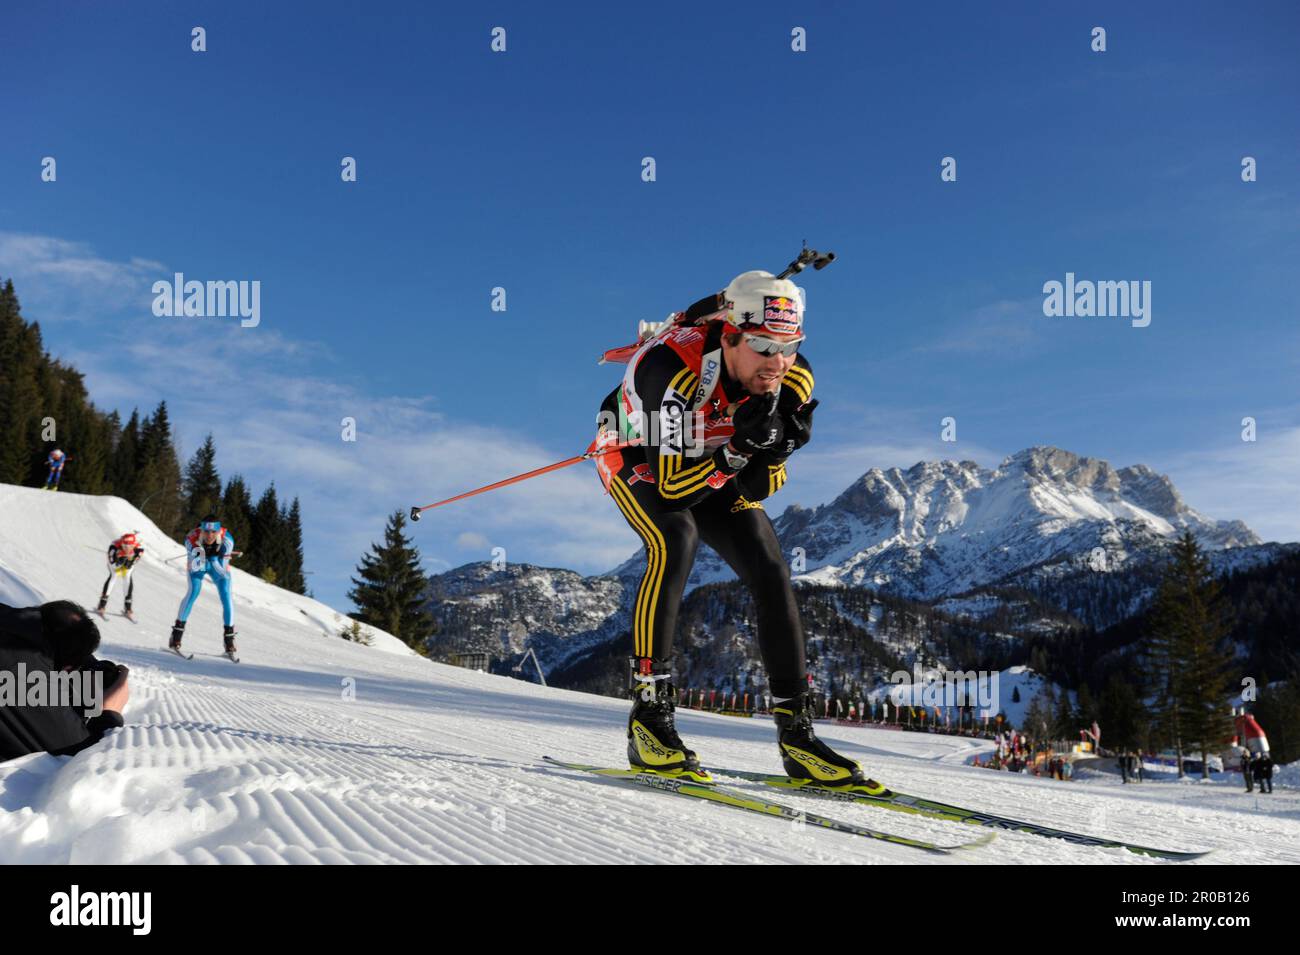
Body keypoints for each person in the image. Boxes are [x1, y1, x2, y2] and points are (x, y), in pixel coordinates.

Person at [590, 269, 874, 790]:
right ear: (730, 334)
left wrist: (778, 446)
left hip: (715, 450)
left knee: (769, 566)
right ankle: (650, 720)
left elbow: (759, 488)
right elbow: (676, 490)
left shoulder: (791, 376)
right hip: (639, 451)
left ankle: (797, 734)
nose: (777, 362)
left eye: (790, 346)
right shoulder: (669, 371)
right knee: (675, 538)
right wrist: (741, 449)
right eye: (763, 346)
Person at [0, 601, 128, 762]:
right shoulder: (23, 675)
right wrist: (110, 713)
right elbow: (84, 758)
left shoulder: (16, 622)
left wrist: (85, 663)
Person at [169, 514, 237, 655]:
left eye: (213, 532)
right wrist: (204, 555)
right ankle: (176, 635)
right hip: (198, 564)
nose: (210, 535)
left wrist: (212, 558)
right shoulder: (191, 539)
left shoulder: (227, 540)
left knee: (226, 595)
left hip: (217, 566)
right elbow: (195, 567)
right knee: (194, 591)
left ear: (219, 531)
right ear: (201, 530)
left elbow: (222, 572)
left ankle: (229, 639)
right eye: (206, 531)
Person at [95, 532, 145, 620]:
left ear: (133, 545)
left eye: (129, 546)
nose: (127, 548)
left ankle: (128, 607)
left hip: (128, 560)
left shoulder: (139, 548)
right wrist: (119, 561)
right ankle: (102, 604)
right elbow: (112, 563)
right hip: (115, 561)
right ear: (121, 543)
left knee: (127, 578)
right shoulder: (114, 546)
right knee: (114, 576)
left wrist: (130, 562)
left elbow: (135, 560)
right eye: (125, 546)